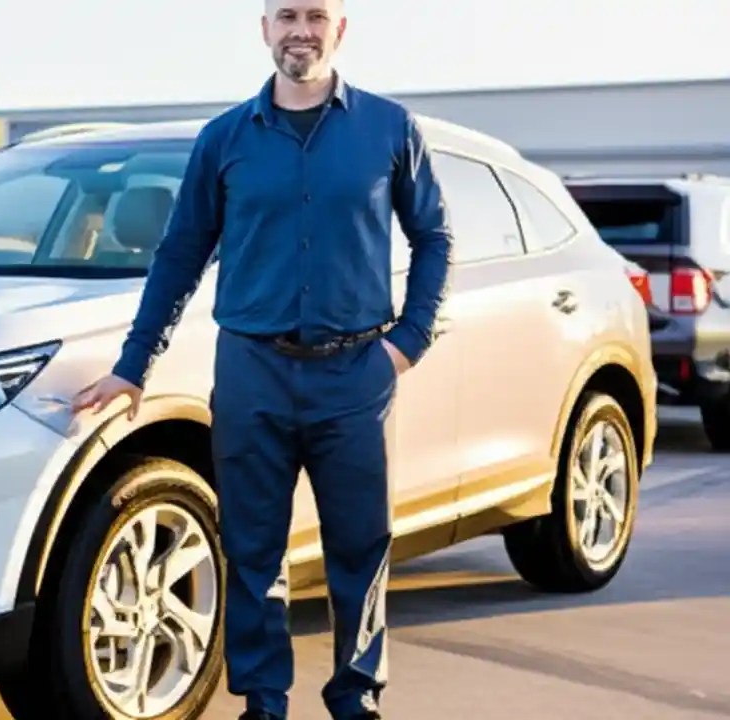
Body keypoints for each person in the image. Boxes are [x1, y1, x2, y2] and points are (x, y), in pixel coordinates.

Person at [72, 0, 453, 718]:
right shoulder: (224, 139)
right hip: (252, 373)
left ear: (341, 28)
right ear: (265, 29)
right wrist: (133, 364)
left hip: (355, 375)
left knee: (360, 548)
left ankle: (355, 699)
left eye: (316, 14)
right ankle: (264, 703)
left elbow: (434, 236)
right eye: (286, 15)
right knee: (252, 551)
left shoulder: (390, 129)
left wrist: (408, 343)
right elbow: (180, 253)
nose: (300, 30)